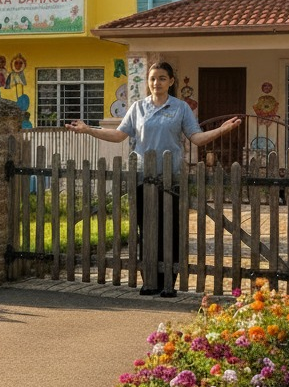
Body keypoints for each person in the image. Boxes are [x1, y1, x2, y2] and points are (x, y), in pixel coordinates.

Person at [66, 61, 242, 295]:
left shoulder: (180, 108)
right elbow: (119, 134)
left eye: (161, 78)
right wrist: (88, 129)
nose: (155, 83)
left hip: (172, 179)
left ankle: (168, 282)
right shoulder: (138, 107)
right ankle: (150, 280)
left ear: (170, 81)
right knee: (145, 230)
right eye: (152, 79)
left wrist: (222, 130)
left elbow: (196, 138)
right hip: (143, 178)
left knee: (171, 230)